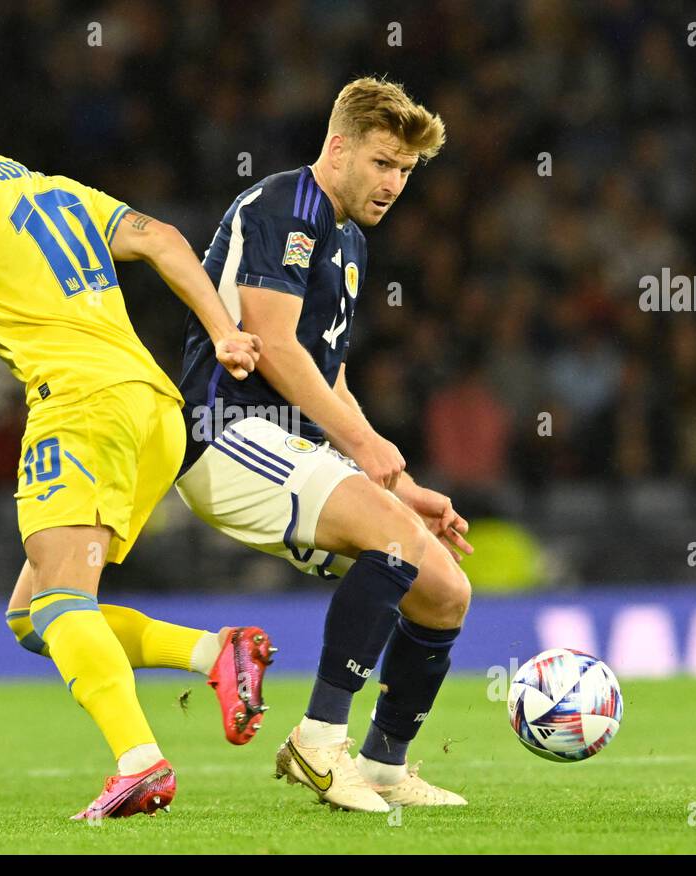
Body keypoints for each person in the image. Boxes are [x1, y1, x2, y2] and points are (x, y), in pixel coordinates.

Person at [0, 70, 270, 820]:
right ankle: (216, 654)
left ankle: (141, 763)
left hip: (80, 407)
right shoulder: (59, 189)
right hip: (155, 410)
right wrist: (224, 331)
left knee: (64, 600)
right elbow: (167, 240)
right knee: (31, 616)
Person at [176, 77, 474, 812]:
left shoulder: (348, 243)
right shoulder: (285, 205)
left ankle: (381, 761)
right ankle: (316, 741)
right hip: (225, 433)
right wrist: (368, 452)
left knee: (445, 592)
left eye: (405, 171)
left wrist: (398, 480)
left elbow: (328, 379)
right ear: (338, 148)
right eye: (382, 163)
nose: (394, 183)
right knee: (395, 541)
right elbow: (274, 349)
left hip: (294, 447)